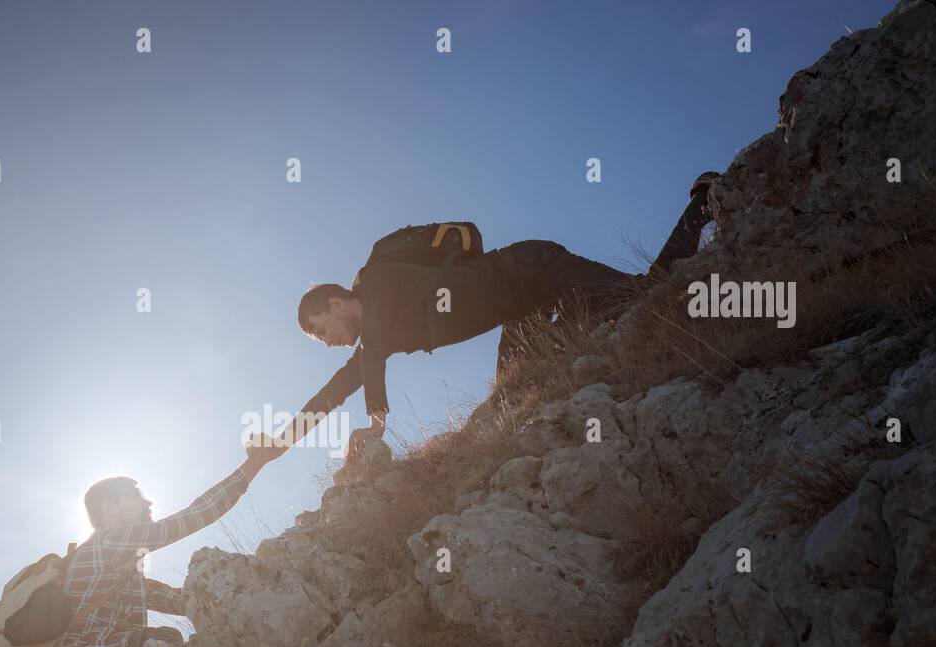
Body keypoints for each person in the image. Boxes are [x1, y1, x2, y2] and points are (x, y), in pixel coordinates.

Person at [279, 172, 721, 456]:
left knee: (643, 299)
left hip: (533, 269)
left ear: (336, 304)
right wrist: (276, 444)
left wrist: (376, 423)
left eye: (322, 332)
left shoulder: (379, 281)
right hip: (523, 311)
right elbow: (335, 390)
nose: (329, 343)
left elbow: (372, 351)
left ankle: (704, 202)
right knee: (512, 400)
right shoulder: (382, 331)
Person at [26, 440, 281, 647]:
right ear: (109, 509)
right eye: (134, 496)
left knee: (165, 645)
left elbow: (176, 599)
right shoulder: (109, 542)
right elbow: (197, 515)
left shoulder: (118, 570)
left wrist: (236, 602)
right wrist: (255, 463)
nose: (147, 501)